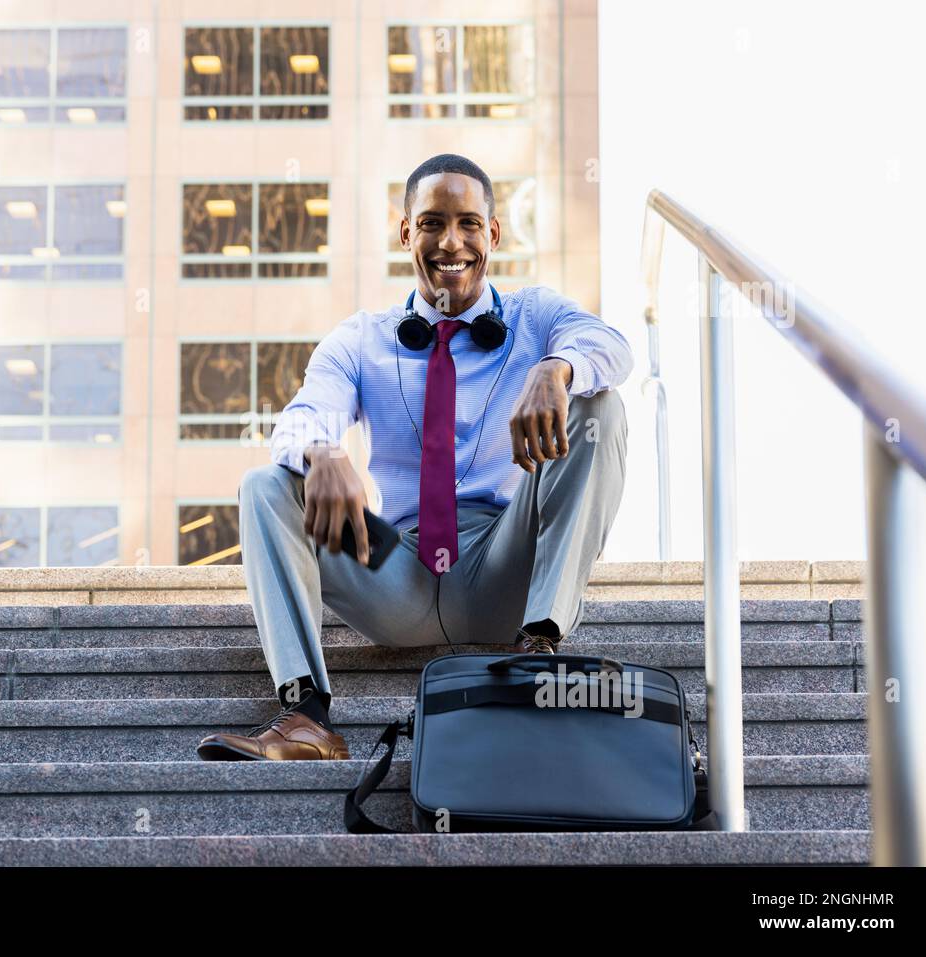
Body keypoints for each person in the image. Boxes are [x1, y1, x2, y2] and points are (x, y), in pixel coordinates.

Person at [197, 153, 633, 762]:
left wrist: (557, 368)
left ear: (493, 234)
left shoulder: (537, 315)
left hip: (499, 564)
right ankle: (306, 717)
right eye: (431, 223)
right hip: (395, 571)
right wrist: (320, 451)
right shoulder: (360, 338)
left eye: (468, 224)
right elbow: (302, 414)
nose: (450, 242)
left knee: (599, 408)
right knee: (267, 485)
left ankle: (540, 651)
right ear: (407, 232)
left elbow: (612, 347)